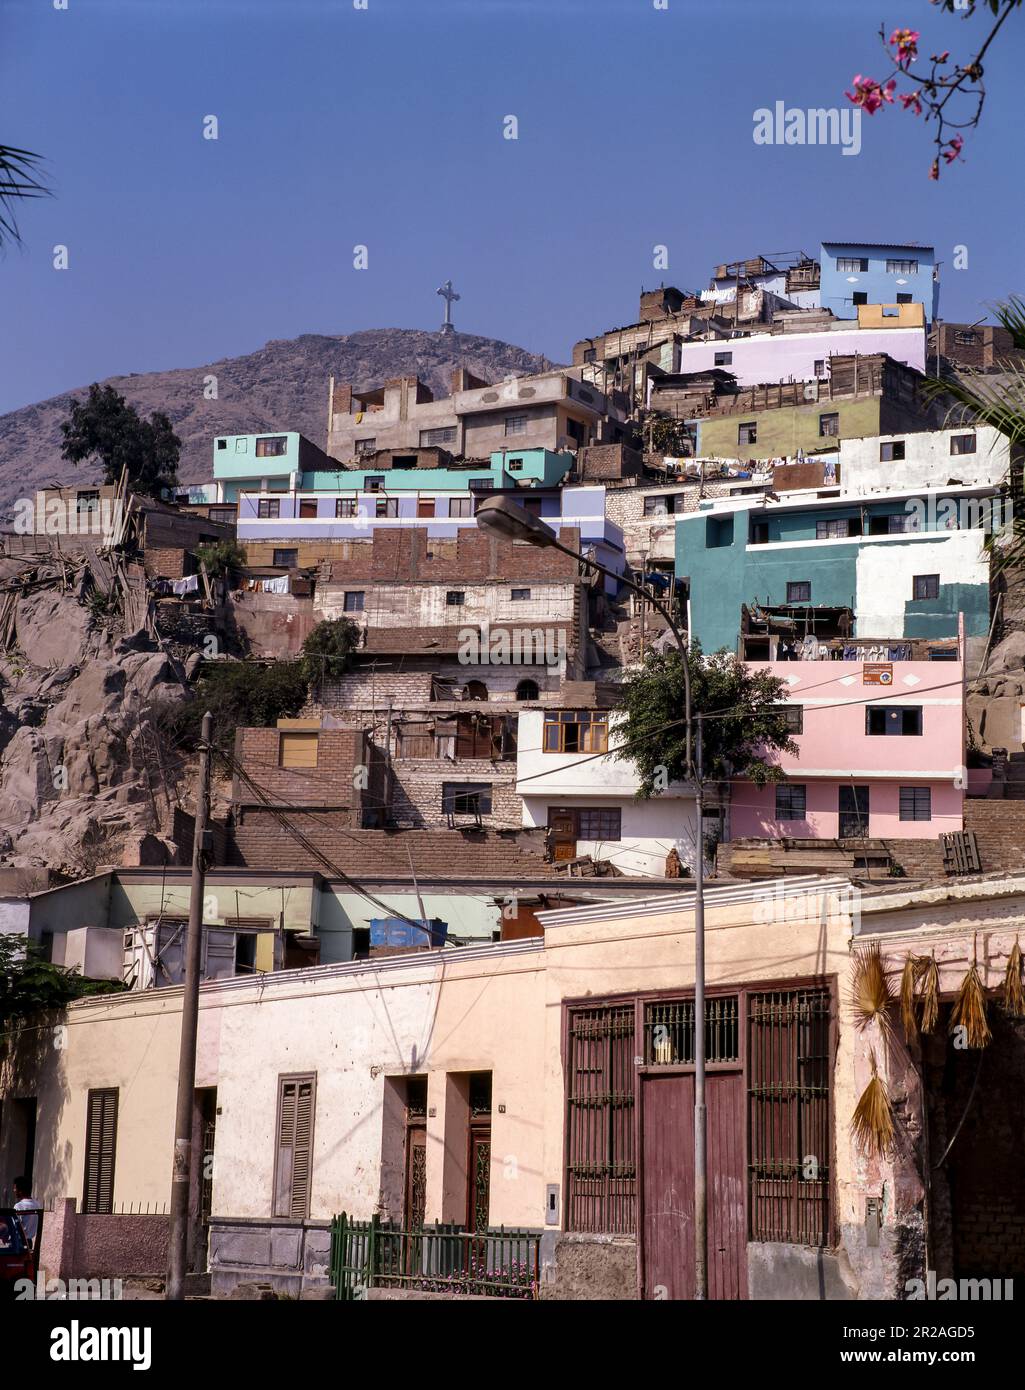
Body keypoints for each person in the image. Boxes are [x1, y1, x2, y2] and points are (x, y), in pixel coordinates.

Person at [13, 1177, 40, 1245]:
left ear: (20, 1191)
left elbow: (14, 1227)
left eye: (15, 1188)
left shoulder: (19, 1206)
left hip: (19, 1243)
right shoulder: (37, 1204)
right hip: (29, 1243)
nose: (14, 1190)